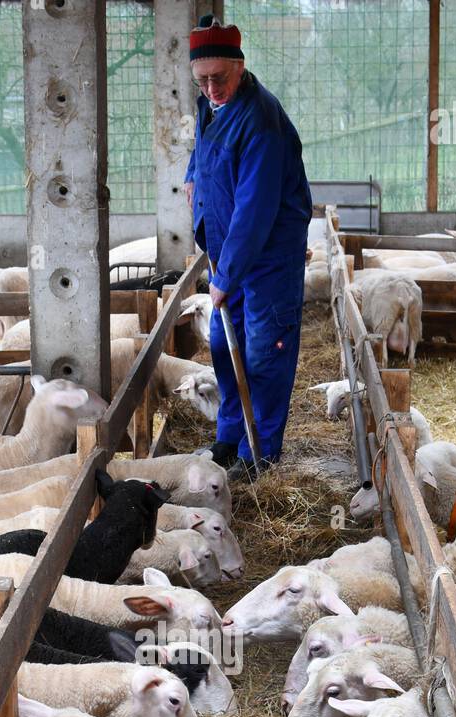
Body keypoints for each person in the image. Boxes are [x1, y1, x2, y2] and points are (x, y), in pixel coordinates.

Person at [183, 15, 313, 482]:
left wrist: (224, 276)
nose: (212, 88)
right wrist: (192, 178)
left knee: (262, 354)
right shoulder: (211, 105)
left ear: (240, 66)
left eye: (220, 78)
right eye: (203, 80)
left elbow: (255, 210)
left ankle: (260, 455)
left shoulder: (261, 121)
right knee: (224, 346)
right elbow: (203, 150)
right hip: (230, 254)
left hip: (265, 260)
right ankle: (230, 436)